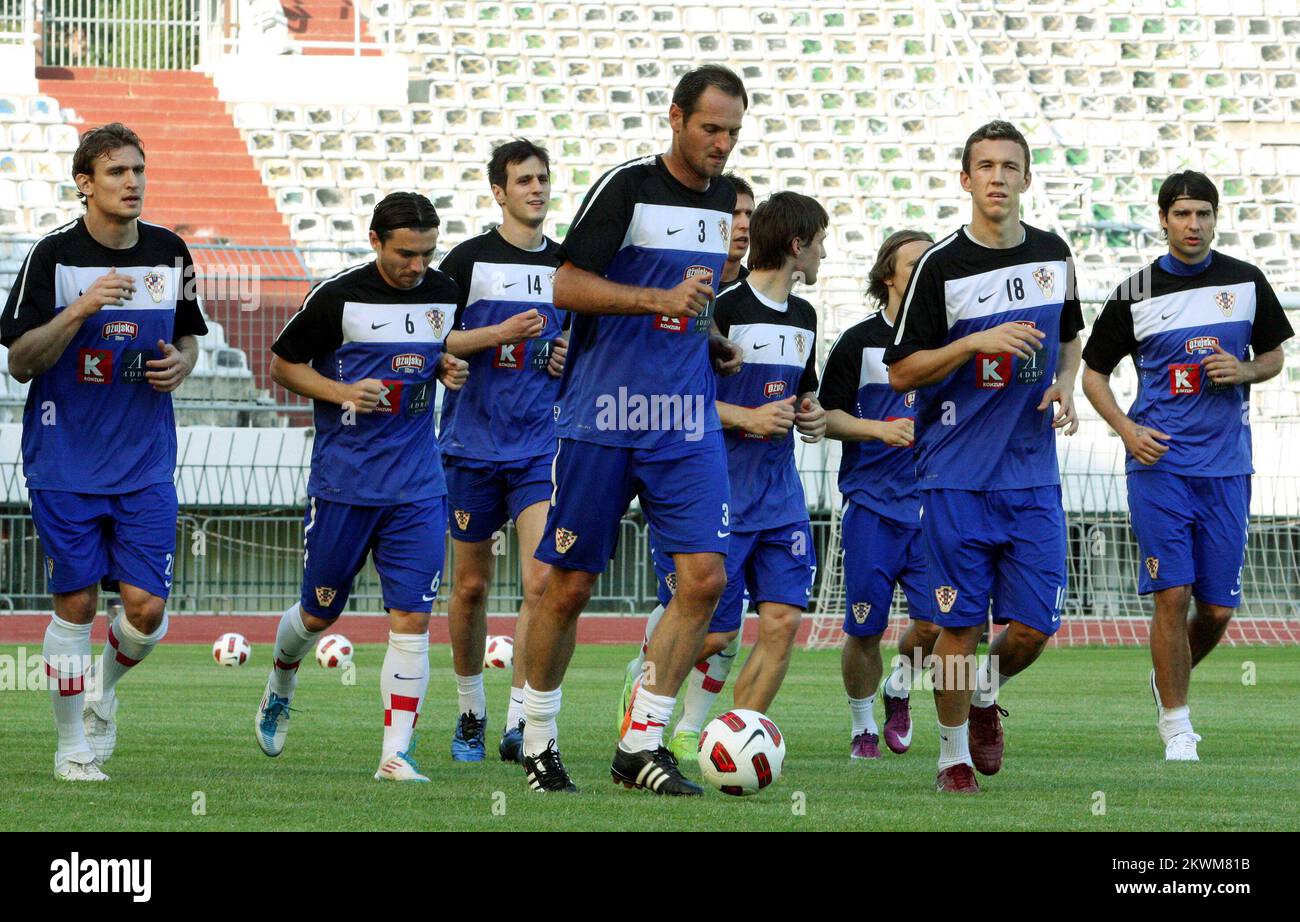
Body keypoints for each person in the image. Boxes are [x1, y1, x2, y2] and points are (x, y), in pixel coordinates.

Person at [520, 65, 746, 795]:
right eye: (711, 128)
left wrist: (707, 339)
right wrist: (657, 299)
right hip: (604, 416)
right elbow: (564, 283)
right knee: (570, 587)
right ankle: (539, 741)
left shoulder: (724, 204)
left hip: (683, 420)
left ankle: (640, 744)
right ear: (675, 118)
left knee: (704, 580)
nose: (722, 144)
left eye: (734, 132)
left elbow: (691, 300)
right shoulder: (626, 187)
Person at [0, 123, 207, 781]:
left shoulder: (171, 253)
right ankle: (70, 750)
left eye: (139, 170)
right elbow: (21, 363)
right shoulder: (51, 257)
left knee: (146, 613)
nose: (133, 183)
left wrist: (183, 365)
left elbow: (190, 339)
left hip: (146, 460)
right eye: (117, 172)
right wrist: (79, 309)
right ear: (84, 183)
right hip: (65, 459)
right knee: (79, 605)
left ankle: (104, 689)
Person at [885, 120, 1084, 794]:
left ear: (1027, 177)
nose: (998, 177)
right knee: (959, 627)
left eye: (1010, 166)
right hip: (955, 476)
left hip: (1031, 476)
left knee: (1033, 628)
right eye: (985, 166)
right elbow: (903, 372)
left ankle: (984, 697)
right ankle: (951, 757)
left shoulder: (1055, 254)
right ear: (965, 179)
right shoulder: (940, 266)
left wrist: (1065, 379)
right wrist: (975, 342)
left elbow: (1071, 335)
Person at [255, 192, 469, 782]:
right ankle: (281, 678)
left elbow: (440, 356)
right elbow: (282, 365)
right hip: (344, 484)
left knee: (413, 619)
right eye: (405, 253)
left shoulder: (445, 292)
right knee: (318, 614)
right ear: (375, 242)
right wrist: (343, 393)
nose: (417, 266)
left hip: (418, 485)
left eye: (427, 252)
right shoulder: (335, 297)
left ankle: (394, 754)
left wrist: (450, 368)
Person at [1081, 171, 1293, 761]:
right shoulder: (1135, 291)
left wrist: (1247, 370)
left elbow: (1276, 353)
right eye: (1181, 214)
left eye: (1202, 214)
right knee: (1171, 596)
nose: (1192, 225)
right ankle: (1177, 724)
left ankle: (1165, 676)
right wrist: (1127, 430)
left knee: (1219, 608)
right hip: (1161, 466)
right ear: (1163, 219)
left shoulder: (1246, 281)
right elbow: (1092, 375)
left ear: (1215, 217)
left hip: (1227, 467)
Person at [438, 140, 567, 764]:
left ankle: (521, 719)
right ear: (499, 192)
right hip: (470, 445)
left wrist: (568, 359)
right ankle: (470, 709)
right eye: (523, 180)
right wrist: (498, 334)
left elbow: (581, 348)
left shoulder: (568, 267)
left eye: (542, 179)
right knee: (469, 587)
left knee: (541, 581)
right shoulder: (468, 260)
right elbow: (439, 337)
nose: (536, 189)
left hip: (539, 445)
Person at [620, 171, 756, 753]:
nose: (741, 229)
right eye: (733, 217)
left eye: (749, 217)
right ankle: (638, 689)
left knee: (733, 622)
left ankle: (674, 732)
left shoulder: (741, 299)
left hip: (730, 478)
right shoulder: (665, 274)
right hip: (650, 447)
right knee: (565, 582)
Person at [819, 229, 939, 759]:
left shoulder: (949, 340)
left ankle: (898, 688)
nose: (923, 272)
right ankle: (862, 725)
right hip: (871, 502)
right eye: (914, 264)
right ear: (887, 274)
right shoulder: (858, 341)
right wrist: (879, 430)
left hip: (935, 504)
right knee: (864, 627)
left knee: (937, 621)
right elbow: (825, 416)